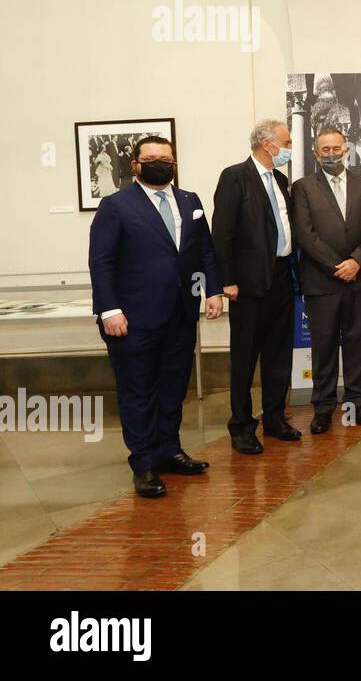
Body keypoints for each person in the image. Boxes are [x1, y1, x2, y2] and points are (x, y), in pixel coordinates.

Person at [88, 136, 223, 498]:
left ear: (174, 163)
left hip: (181, 313)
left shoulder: (189, 201)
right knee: (138, 391)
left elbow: (205, 251)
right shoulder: (116, 205)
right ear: (135, 165)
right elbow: (101, 262)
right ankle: (144, 463)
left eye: (165, 158)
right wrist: (109, 310)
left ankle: (169, 450)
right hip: (132, 319)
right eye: (151, 158)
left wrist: (213, 290)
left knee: (173, 387)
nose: (159, 163)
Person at [211, 119, 301, 455]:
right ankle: (241, 426)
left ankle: (275, 419)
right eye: (287, 141)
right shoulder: (235, 176)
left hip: (281, 276)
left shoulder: (280, 179)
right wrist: (226, 279)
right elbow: (222, 232)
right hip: (247, 284)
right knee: (245, 357)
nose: (289, 148)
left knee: (278, 355)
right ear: (268, 144)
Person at [290, 127, 361, 434]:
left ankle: (358, 403)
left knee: (357, 342)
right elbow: (305, 234)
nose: (332, 154)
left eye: (337, 148)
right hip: (322, 280)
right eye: (325, 150)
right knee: (324, 345)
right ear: (316, 154)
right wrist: (337, 266)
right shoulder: (303, 187)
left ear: (348, 149)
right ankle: (323, 407)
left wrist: (357, 261)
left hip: (360, 278)